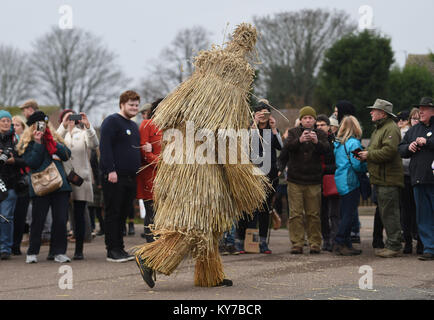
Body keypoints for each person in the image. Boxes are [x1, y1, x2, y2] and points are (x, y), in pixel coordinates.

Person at [17, 111, 72, 263]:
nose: (42, 127)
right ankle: (32, 252)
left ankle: (58, 252)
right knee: (38, 221)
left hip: (60, 186)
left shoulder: (54, 138)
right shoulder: (27, 143)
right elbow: (32, 162)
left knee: (61, 220)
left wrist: (52, 142)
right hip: (40, 186)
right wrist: (38, 143)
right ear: (32, 127)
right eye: (38, 124)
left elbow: (67, 155)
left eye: (44, 123)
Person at [278, 106, 330, 254]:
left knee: (313, 214)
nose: (308, 120)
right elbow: (286, 148)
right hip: (295, 179)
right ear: (300, 120)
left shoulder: (320, 133)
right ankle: (297, 243)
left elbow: (327, 150)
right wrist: (299, 141)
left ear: (314, 120)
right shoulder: (293, 132)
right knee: (295, 214)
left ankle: (314, 243)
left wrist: (316, 142)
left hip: (314, 180)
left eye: (310, 118)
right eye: (305, 118)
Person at [357, 99, 404, 258]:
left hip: (388, 179)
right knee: (386, 213)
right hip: (381, 179)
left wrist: (369, 155)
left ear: (382, 113)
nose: (371, 112)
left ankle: (394, 245)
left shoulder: (390, 128)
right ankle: (392, 243)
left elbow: (389, 152)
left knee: (390, 213)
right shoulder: (380, 129)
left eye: (374, 110)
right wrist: (366, 154)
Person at [236, 99, 283, 254]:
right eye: (259, 114)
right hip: (250, 175)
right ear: (254, 114)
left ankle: (262, 242)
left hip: (269, 176)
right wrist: (254, 125)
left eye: (265, 114)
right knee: (247, 209)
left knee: (265, 209)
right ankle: (240, 241)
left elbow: (282, 147)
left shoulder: (272, 131)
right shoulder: (249, 129)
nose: (262, 117)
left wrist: (274, 128)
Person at [99, 90, 141, 262]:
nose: (134, 108)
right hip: (115, 176)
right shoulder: (112, 121)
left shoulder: (133, 126)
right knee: (113, 212)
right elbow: (105, 147)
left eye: (137, 105)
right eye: (131, 104)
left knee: (123, 213)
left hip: (131, 177)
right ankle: (112, 249)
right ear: (122, 104)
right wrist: (111, 170)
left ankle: (120, 248)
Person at [57, 109, 99, 260]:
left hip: (80, 179)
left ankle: (79, 249)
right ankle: (59, 250)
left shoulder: (82, 134)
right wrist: (63, 126)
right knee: (61, 216)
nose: (71, 119)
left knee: (79, 215)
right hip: (63, 179)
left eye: (73, 117)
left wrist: (88, 126)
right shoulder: (62, 134)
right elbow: (53, 142)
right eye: (67, 117)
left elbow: (94, 144)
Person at [399, 97, 434, 261]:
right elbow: (401, 148)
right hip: (418, 179)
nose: (420, 112)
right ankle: (429, 248)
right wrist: (409, 147)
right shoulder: (413, 130)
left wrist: (427, 141)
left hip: (432, 178)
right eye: (419, 109)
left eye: (424, 109)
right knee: (423, 216)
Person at [333, 116, 366, 255]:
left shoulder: (338, 144)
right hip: (350, 181)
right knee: (349, 214)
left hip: (340, 180)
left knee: (344, 213)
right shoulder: (354, 144)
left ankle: (347, 243)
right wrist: (365, 165)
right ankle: (340, 242)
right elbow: (357, 165)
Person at [0, 111, 26, 260]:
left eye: (7, 121)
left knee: (5, 217)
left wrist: (13, 161)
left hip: (11, 183)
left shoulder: (17, 140)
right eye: (2, 120)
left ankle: (5, 248)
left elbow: (26, 160)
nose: (5, 123)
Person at [136, 98, 163, 242]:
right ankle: (151, 246)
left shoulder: (169, 127)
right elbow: (144, 152)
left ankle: (161, 243)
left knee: (162, 213)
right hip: (150, 175)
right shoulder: (147, 125)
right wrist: (162, 164)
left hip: (165, 176)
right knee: (151, 212)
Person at [316, 114, 340, 252]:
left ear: (329, 126)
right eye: (317, 125)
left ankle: (335, 238)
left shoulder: (335, 141)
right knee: (322, 212)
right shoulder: (313, 141)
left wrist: (325, 168)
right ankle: (326, 239)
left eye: (322, 125)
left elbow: (338, 161)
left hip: (331, 179)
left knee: (334, 212)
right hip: (317, 180)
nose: (319, 128)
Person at [11, 116, 31, 256]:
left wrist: (15, 161)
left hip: (23, 182)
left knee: (20, 216)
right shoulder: (5, 141)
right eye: (13, 124)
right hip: (8, 183)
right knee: (7, 215)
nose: (14, 127)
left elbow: (29, 161)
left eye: (17, 125)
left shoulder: (26, 143)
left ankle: (16, 245)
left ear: (23, 127)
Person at [88, 148, 105, 236]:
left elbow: (97, 168)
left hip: (98, 183)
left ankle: (102, 228)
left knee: (99, 208)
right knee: (93, 207)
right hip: (94, 182)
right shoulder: (93, 152)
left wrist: (99, 182)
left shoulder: (96, 153)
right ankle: (93, 227)